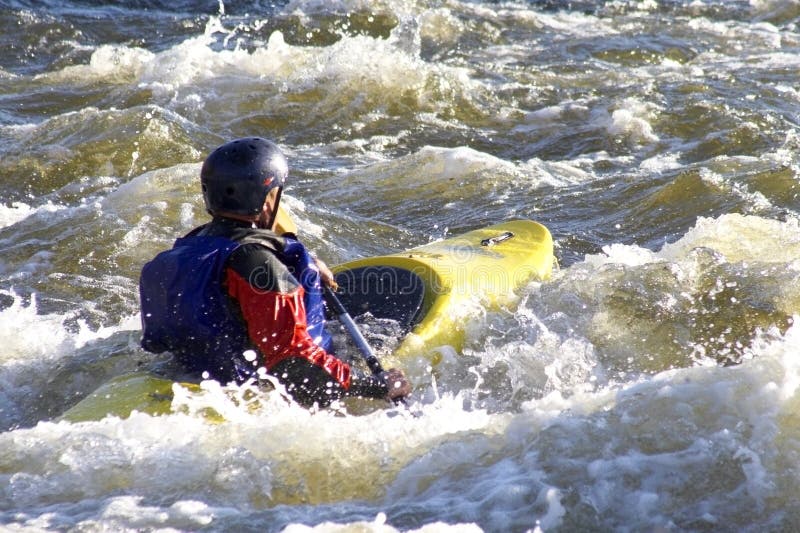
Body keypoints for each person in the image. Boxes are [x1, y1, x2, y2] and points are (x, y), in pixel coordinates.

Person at [138, 137, 411, 407]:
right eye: (277, 193)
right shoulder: (259, 268)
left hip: (193, 373)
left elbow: (238, 255)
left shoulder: (182, 252)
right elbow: (296, 371)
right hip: (257, 391)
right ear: (267, 199)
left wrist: (299, 263)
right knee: (385, 335)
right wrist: (378, 386)